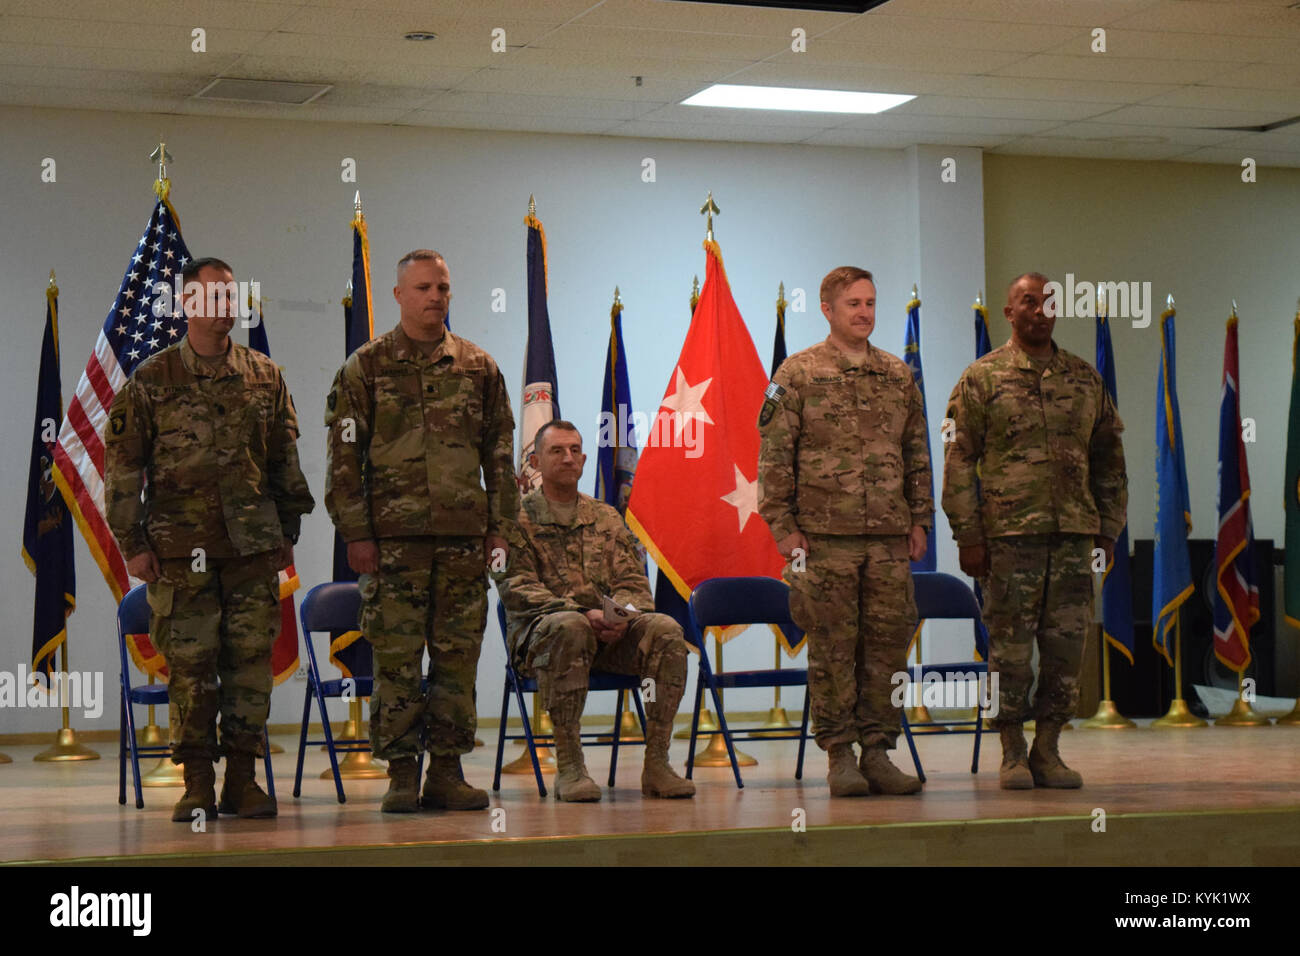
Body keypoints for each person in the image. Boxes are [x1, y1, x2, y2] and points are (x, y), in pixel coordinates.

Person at [105, 256, 315, 821]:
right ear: (186, 305)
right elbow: (124, 471)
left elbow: (282, 463)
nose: (226, 306)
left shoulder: (265, 376)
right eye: (214, 296)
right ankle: (197, 782)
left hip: (250, 551)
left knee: (249, 668)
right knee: (193, 671)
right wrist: (134, 542)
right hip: (179, 552)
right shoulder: (151, 380)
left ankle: (243, 781)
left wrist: (287, 529)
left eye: (232, 295)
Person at [325, 249, 517, 813]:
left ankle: (448, 772)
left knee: (457, 659)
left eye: (444, 288)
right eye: (425, 288)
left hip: (463, 542)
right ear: (399, 296)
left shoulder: (479, 368)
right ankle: (403, 774)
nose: (436, 297)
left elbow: (500, 456)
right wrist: (356, 533)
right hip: (392, 544)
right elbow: (343, 460)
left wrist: (500, 529)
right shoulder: (366, 367)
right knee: (397, 659)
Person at [942, 272, 1127, 789]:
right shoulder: (982, 378)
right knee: (1011, 651)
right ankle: (1011, 750)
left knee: (1067, 650)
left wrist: (1108, 530)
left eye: (1049, 302)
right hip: (1008, 540)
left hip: (1074, 538)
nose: (1040, 309)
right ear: (1010, 312)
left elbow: (1109, 459)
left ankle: (1049, 748)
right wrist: (968, 535)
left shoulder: (1085, 379)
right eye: (1029, 301)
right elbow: (959, 462)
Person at [757, 266, 932, 797]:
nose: (865, 312)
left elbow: (917, 452)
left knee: (887, 647)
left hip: (886, 538)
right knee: (832, 648)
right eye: (853, 303)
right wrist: (783, 528)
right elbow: (774, 457)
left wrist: (920, 518)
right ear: (828, 309)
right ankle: (839, 755)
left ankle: (878, 751)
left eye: (871, 303)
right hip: (822, 539)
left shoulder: (897, 375)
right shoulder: (798, 373)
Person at [495, 420, 695, 801]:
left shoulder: (606, 517)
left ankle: (657, 763)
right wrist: (583, 614)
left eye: (574, 450)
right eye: (557, 451)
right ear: (536, 460)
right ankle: (570, 767)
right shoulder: (514, 521)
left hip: (609, 637)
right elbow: (515, 588)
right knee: (570, 625)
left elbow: (634, 583)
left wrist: (622, 617)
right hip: (545, 643)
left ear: (585, 458)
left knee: (666, 630)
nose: (568, 458)